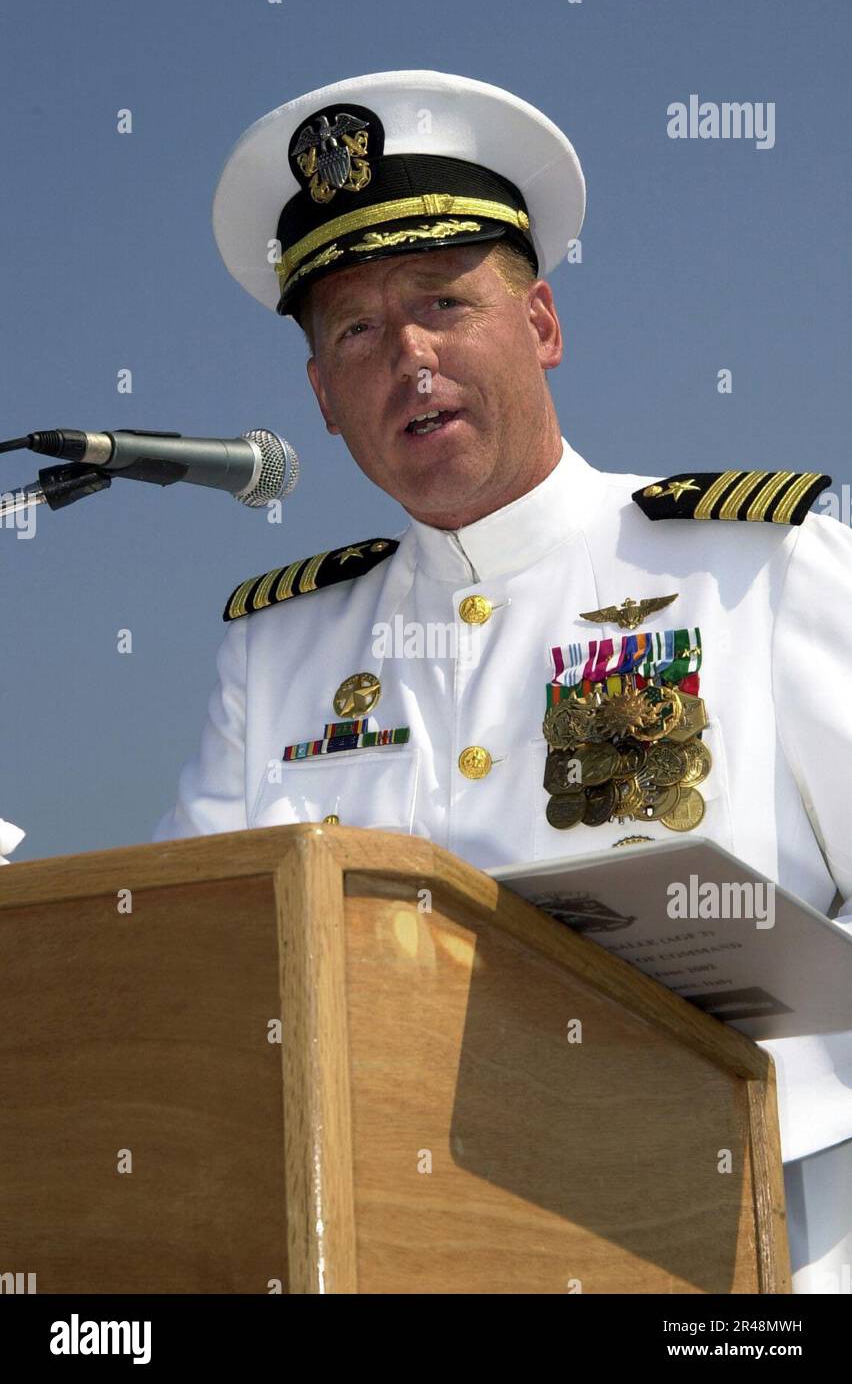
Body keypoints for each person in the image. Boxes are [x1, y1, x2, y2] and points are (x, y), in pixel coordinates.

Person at [153, 69, 852, 1293]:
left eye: (443, 303)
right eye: (356, 331)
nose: (409, 357)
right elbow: (190, 959)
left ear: (540, 327)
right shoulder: (277, 653)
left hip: (753, 1242)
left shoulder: (759, 561)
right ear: (321, 397)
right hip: (403, 1243)